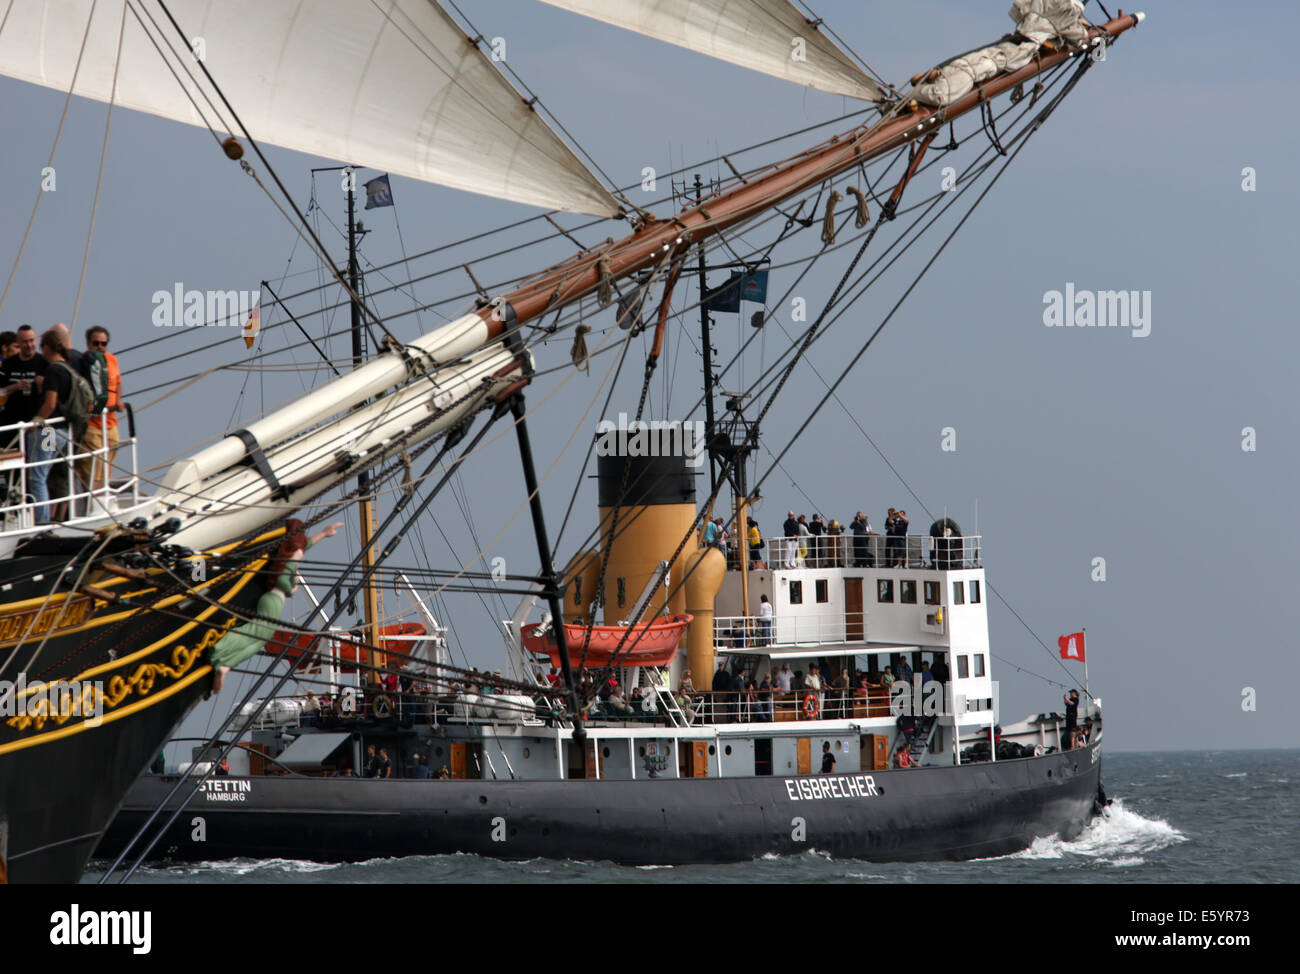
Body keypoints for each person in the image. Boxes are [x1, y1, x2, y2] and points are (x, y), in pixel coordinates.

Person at [207, 520, 344, 693]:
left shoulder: (288, 551)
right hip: (275, 600)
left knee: (257, 636)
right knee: (256, 635)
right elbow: (282, 578)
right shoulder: (296, 555)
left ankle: (225, 664)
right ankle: (223, 657)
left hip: (271, 599)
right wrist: (291, 589)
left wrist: (324, 533)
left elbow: (306, 545)